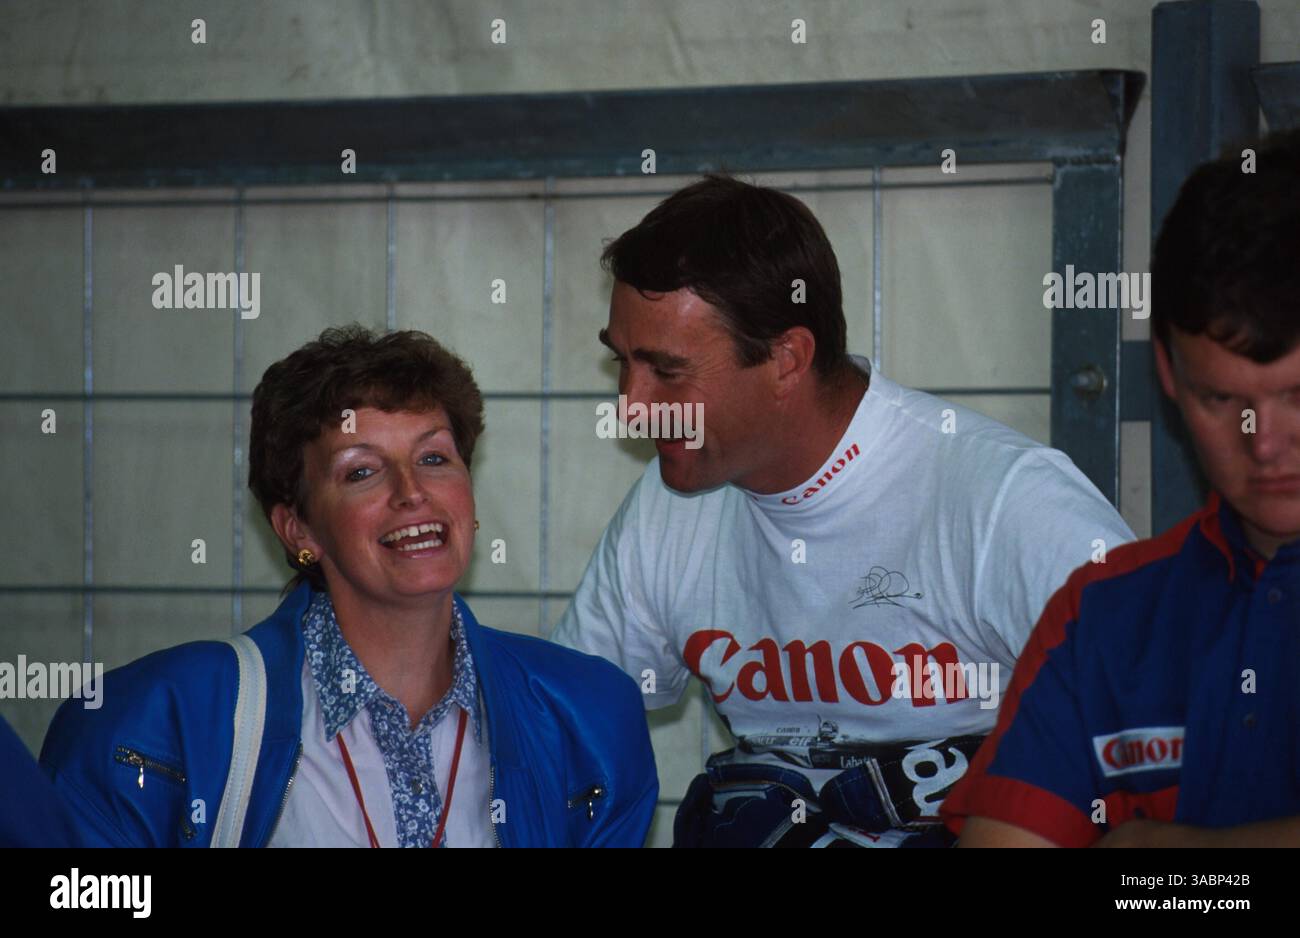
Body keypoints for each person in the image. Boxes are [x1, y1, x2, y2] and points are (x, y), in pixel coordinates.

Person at [551, 173, 1135, 847]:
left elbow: (1174, 746)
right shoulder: (668, 504)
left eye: (667, 372)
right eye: (621, 363)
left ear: (787, 359)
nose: (631, 406)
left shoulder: (1005, 500)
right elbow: (564, 730)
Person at [40, 326, 657, 847]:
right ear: (298, 526)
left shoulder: (592, 722)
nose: (412, 490)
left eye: (435, 458)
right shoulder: (149, 724)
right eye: (361, 471)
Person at [942, 130, 1300, 847]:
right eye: (1220, 400)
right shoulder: (1103, 615)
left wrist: (1168, 855)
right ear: (1167, 375)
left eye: (1299, 393)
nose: (1264, 443)